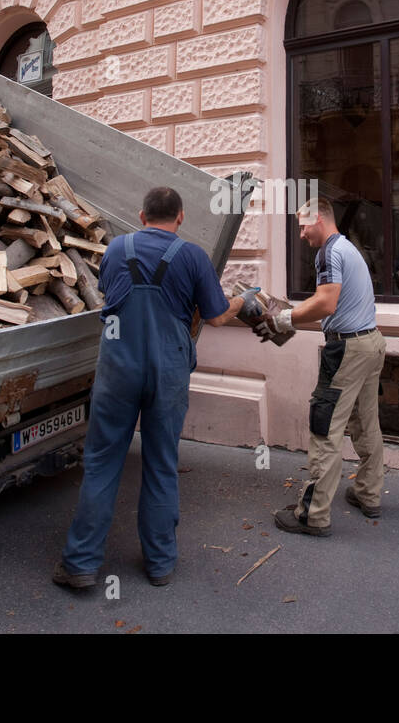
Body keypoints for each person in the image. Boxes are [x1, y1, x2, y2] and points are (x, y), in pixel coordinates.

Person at [53, 187, 246, 588]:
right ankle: (159, 564)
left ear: (141, 216)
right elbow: (216, 318)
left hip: (118, 366)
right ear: (180, 218)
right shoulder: (193, 256)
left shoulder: (115, 250)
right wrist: (243, 302)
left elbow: (114, 294)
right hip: (168, 369)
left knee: (103, 461)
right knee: (160, 463)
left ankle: (81, 565)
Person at [254, 196, 386, 536]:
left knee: (325, 427)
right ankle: (368, 494)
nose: (300, 234)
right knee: (365, 420)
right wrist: (294, 311)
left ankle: (312, 515)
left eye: (302, 226)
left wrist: (284, 318)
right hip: (370, 342)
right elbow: (327, 297)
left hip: (346, 350)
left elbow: (326, 303)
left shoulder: (327, 252)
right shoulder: (347, 248)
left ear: (319, 220)